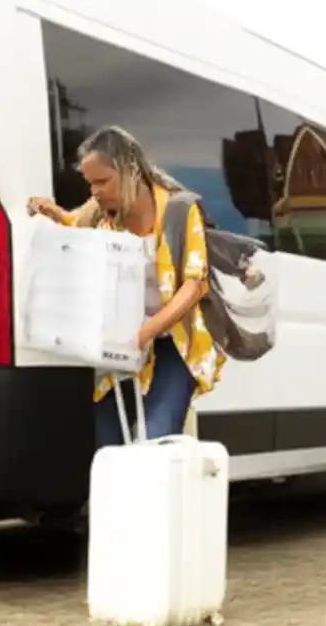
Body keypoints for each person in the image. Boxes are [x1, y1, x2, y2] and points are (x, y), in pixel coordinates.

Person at [26, 126, 226, 447]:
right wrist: (50, 212)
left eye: (102, 181)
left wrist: (146, 332)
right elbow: (73, 226)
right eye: (90, 183)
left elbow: (194, 285)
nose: (95, 191)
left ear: (129, 169)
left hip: (171, 344)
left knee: (157, 435)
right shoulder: (101, 214)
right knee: (107, 441)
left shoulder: (179, 210)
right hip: (121, 344)